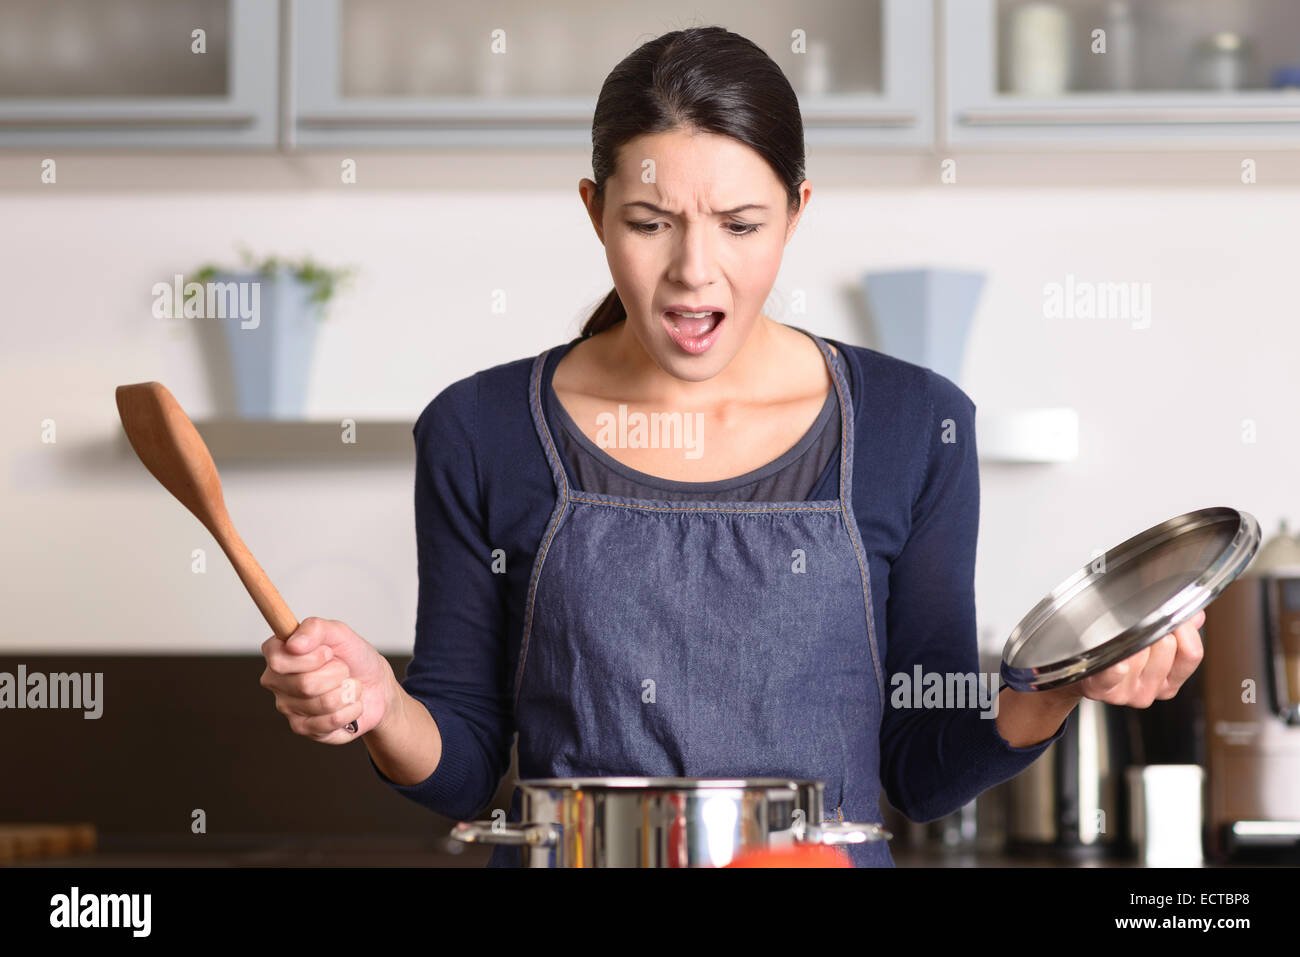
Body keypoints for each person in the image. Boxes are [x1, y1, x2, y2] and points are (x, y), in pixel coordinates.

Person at [258, 26, 1207, 867]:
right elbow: (463, 764)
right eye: (648, 223)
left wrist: (1060, 686)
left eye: (742, 225)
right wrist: (381, 705)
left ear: (797, 211)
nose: (692, 273)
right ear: (593, 211)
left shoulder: (914, 427)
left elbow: (919, 766)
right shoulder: (480, 429)